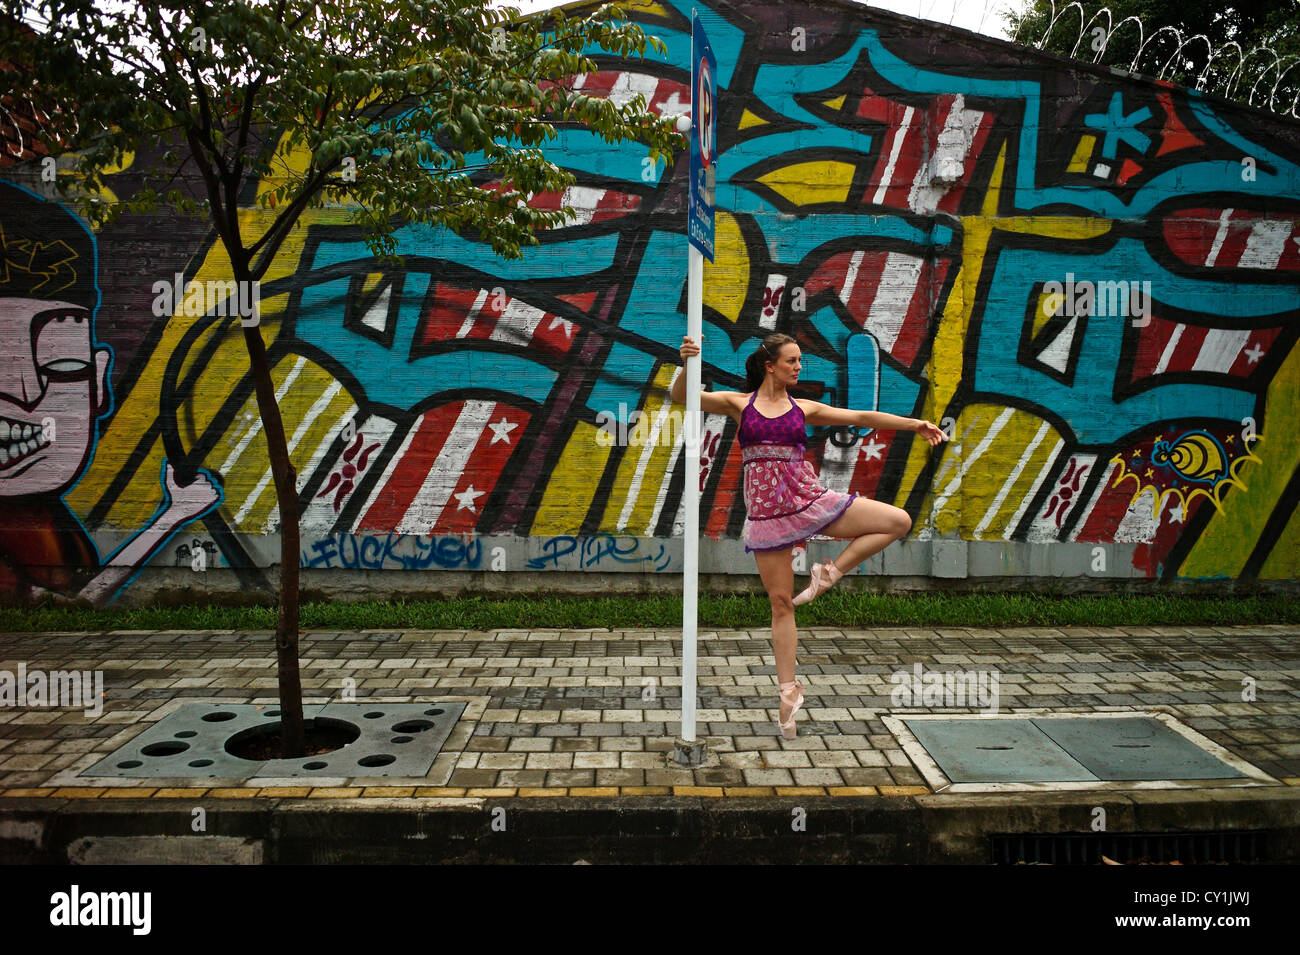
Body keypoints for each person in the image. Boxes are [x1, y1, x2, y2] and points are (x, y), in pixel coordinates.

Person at [669, 332, 946, 738]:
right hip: (767, 516)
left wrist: (914, 424)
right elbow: (682, 396)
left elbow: (861, 418)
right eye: (793, 360)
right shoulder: (739, 403)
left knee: (898, 521)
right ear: (770, 364)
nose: (800, 367)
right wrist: (686, 362)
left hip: (809, 500)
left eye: (800, 361)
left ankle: (829, 573)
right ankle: (787, 692)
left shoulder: (804, 408)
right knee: (781, 604)